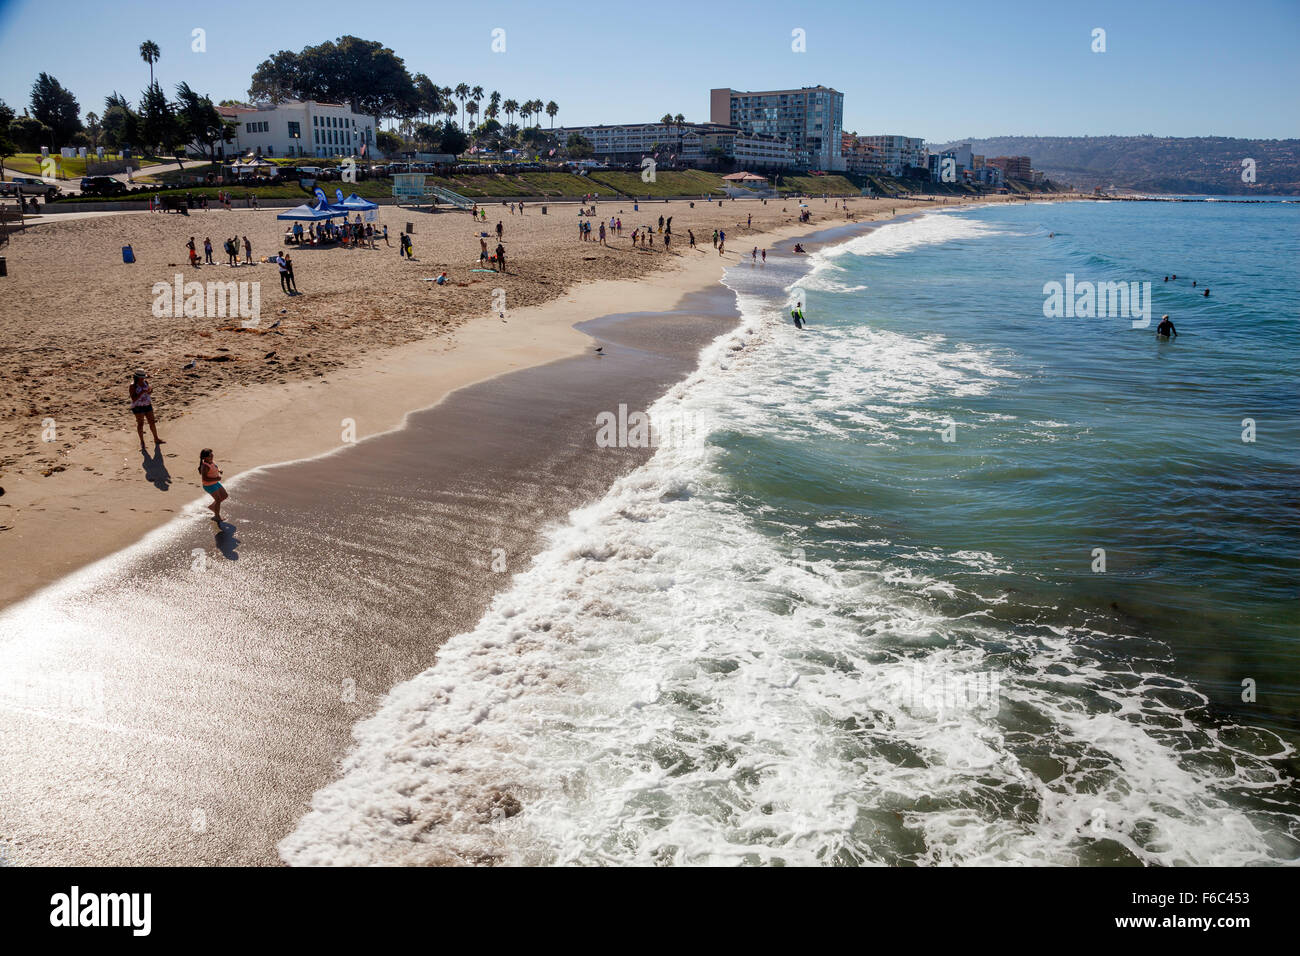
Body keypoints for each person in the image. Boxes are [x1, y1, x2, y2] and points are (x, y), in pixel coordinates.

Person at [129, 370, 163, 446]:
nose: (143, 379)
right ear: (138, 378)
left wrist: (150, 391)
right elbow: (133, 399)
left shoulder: (145, 382)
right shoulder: (132, 386)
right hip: (138, 406)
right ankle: (142, 441)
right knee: (140, 423)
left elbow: (148, 393)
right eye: (142, 378)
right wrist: (142, 392)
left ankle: (156, 438)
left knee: (152, 422)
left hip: (147, 404)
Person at [198, 449, 228, 523]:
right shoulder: (205, 466)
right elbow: (204, 478)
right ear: (204, 458)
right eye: (209, 456)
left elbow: (214, 468)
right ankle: (217, 516)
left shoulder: (211, 462)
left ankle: (212, 506)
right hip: (209, 485)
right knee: (218, 500)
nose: (211, 457)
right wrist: (216, 478)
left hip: (215, 483)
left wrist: (219, 470)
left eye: (212, 455)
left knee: (224, 496)